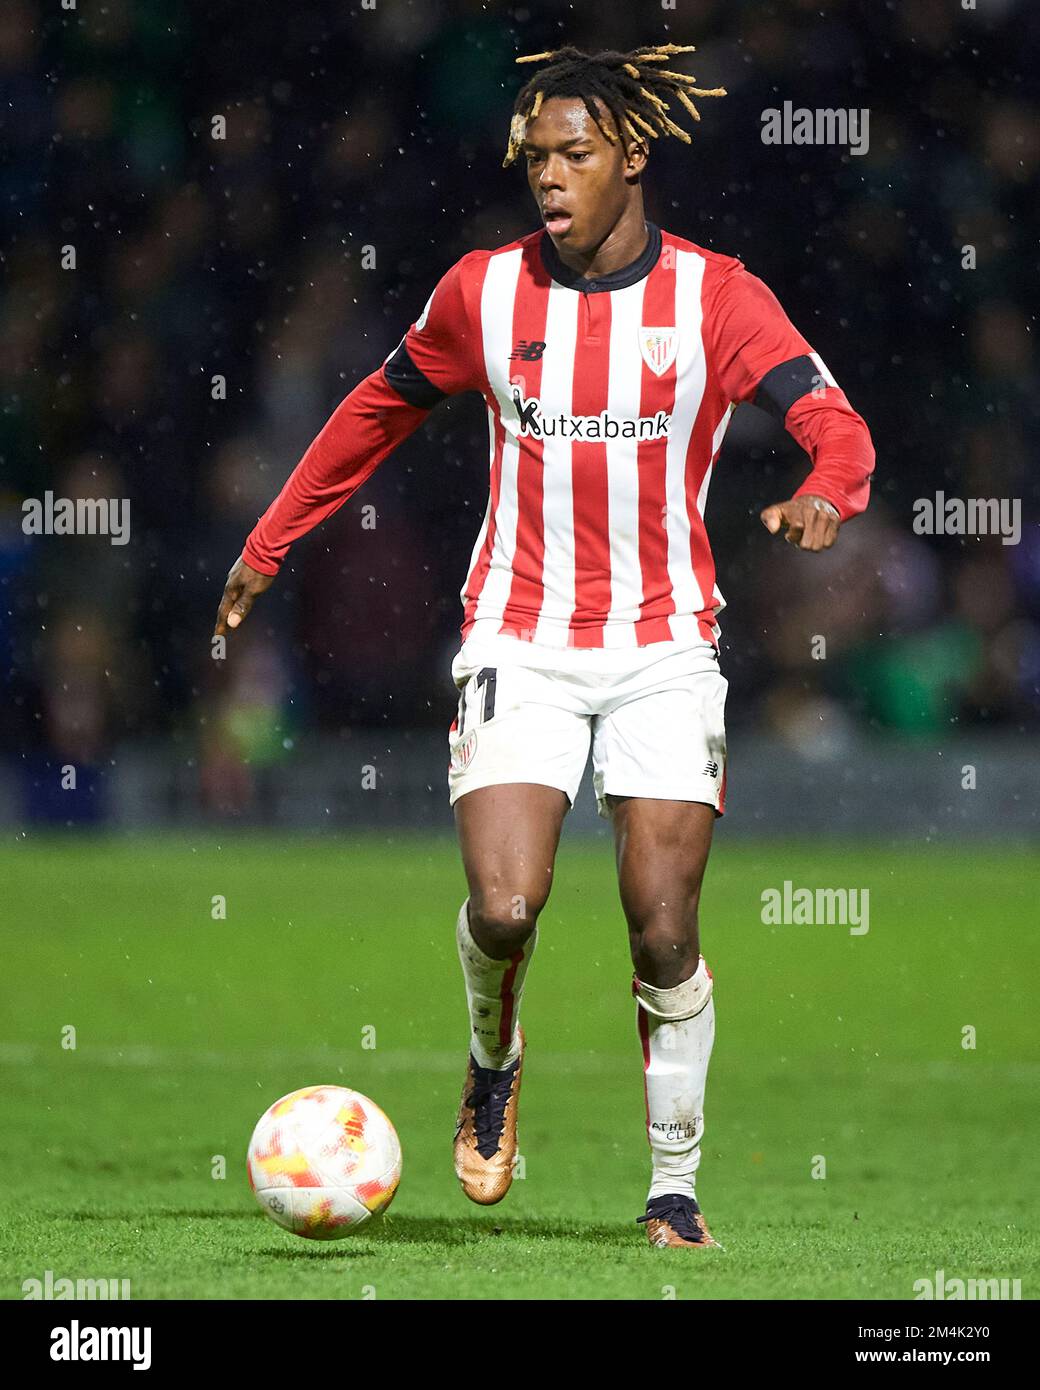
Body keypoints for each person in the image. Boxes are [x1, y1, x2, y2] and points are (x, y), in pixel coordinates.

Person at [214, 43, 875, 1249]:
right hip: (516, 630)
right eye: (535, 160)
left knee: (661, 923)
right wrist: (271, 540)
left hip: (667, 643)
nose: (551, 179)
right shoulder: (482, 292)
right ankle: (489, 1058)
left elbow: (830, 419)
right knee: (508, 905)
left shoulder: (716, 298)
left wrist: (828, 487)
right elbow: (376, 408)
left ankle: (671, 1187)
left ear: (632, 156)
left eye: (574, 154)